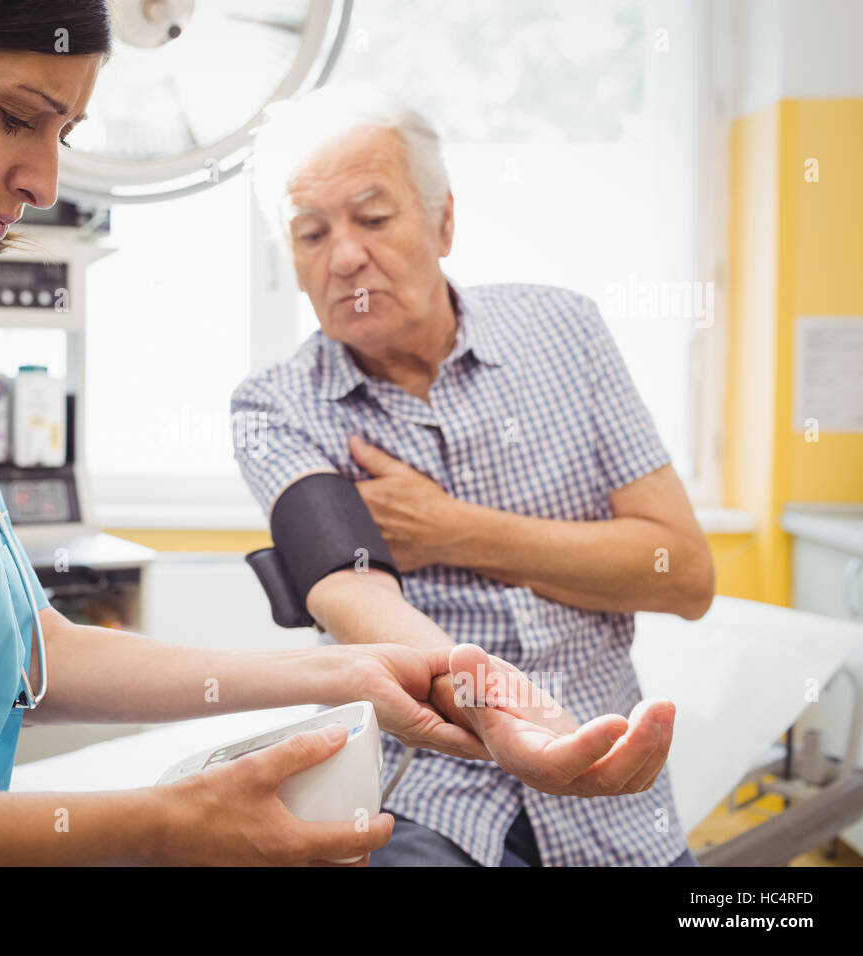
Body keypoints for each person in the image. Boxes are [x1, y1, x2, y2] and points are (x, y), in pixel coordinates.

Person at [0, 1, 670, 867]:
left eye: (66, 131)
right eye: (16, 116)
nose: (43, 180)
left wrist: (352, 670)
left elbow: (27, 650)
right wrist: (155, 823)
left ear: (443, 219)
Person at [232, 84, 714, 866]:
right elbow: (351, 592)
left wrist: (456, 531)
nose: (345, 254)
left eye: (374, 217)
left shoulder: (566, 331)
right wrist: (503, 712)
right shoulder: (273, 408)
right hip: (426, 796)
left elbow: (683, 573)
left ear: (444, 220)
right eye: (310, 233)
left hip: (612, 797)